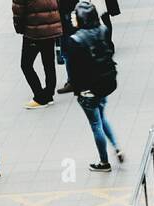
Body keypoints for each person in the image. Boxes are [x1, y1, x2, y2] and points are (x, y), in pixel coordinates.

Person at [63, 2, 124, 172]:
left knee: (96, 124)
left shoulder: (75, 40)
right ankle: (117, 146)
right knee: (102, 117)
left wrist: (77, 91)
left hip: (88, 90)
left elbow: (74, 72)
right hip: (105, 83)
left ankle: (104, 162)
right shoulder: (103, 30)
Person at [13, 0, 63, 108]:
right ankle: (49, 94)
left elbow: (18, 11)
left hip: (34, 31)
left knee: (26, 65)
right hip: (50, 29)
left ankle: (40, 97)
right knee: (49, 63)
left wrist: (20, 29)